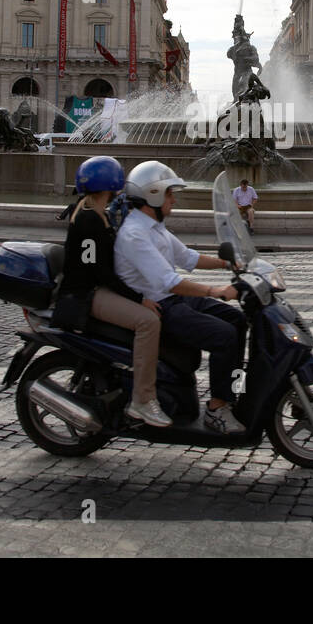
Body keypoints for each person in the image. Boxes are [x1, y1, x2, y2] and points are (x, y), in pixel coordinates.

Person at [115, 161, 248, 434]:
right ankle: (216, 409)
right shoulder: (134, 234)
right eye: (169, 193)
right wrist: (215, 291)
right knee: (224, 336)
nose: (174, 199)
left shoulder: (154, 225)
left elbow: (187, 257)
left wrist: (229, 263)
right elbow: (169, 282)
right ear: (152, 195)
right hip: (161, 307)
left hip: (173, 300)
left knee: (237, 320)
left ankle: (235, 391)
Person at [58, 156, 170, 427]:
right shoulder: (88, 220)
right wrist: (138, 298)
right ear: (112, 184)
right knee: (148, 321)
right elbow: (98, 272)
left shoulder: (96, 214)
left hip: (95, 288)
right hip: (87, 295)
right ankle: (142, 400)